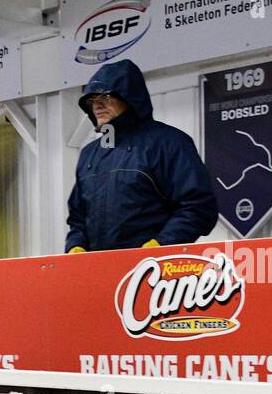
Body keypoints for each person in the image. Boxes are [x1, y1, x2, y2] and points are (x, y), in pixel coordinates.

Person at [65, 59, 218, 253]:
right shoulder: (90, 154)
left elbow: (198, 207)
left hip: (155, 272)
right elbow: (78, 218)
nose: (97, 104)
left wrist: (160, 246)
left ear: (130, 98)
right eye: (91, 100)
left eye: (105, 97)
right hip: (97, 272)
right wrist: (75, 246)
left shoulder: (169, 143)